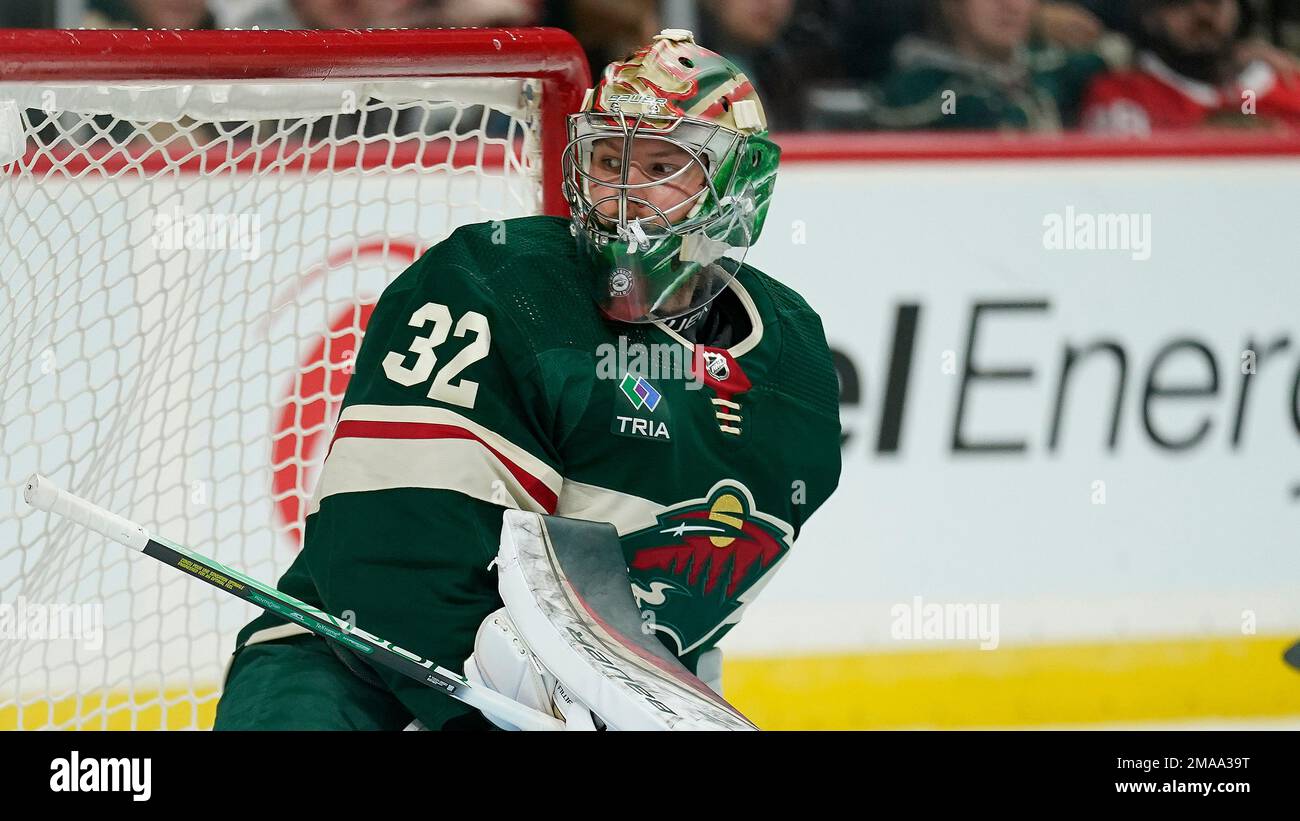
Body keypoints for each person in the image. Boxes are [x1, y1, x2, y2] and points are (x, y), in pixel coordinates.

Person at [212, 30, 842, 730]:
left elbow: (688, 618)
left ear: (739, 184)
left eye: (662, 165)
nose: (626, 195)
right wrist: (506, 714)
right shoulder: (494, 287)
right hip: (354, 672)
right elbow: (389, 560)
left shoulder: (798, 369)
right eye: (608, 159)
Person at [867, 0, 1108, 131]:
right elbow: (949, 106)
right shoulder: (937, 88)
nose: (1010, 6)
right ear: (952, 6)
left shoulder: (1047, 63)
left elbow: (1117, 53)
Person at [1082, 0, 1300, 133]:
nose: (1202, 13)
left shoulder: (1289, 83)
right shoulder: (1122, 96)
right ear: (1150, 16)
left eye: (1214, 1)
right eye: (1180, 2)